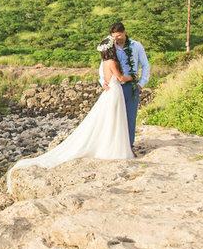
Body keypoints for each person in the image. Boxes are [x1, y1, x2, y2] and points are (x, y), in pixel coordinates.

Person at [7, 38, 133, 190]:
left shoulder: (105, 63)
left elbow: (106, 78)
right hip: (115, 91)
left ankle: (108, 145)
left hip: (110, 92)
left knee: (109, 119)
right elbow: (120, 78)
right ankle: (112, 147)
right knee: (114, 119)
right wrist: (132, 77)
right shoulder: (112, 61)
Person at [108, 21, 150, 153]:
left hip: (131, 86)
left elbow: (145, 65)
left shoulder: (136, 46)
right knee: (114, 117)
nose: (117, 39)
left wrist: (141, 84)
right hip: (115, 86)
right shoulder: (110, 46)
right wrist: (103, 82)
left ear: (125, 33)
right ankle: (116, 145)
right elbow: (104, 64)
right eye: (114, 36)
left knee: (130, 117)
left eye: (119, 35)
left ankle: (129, 146)